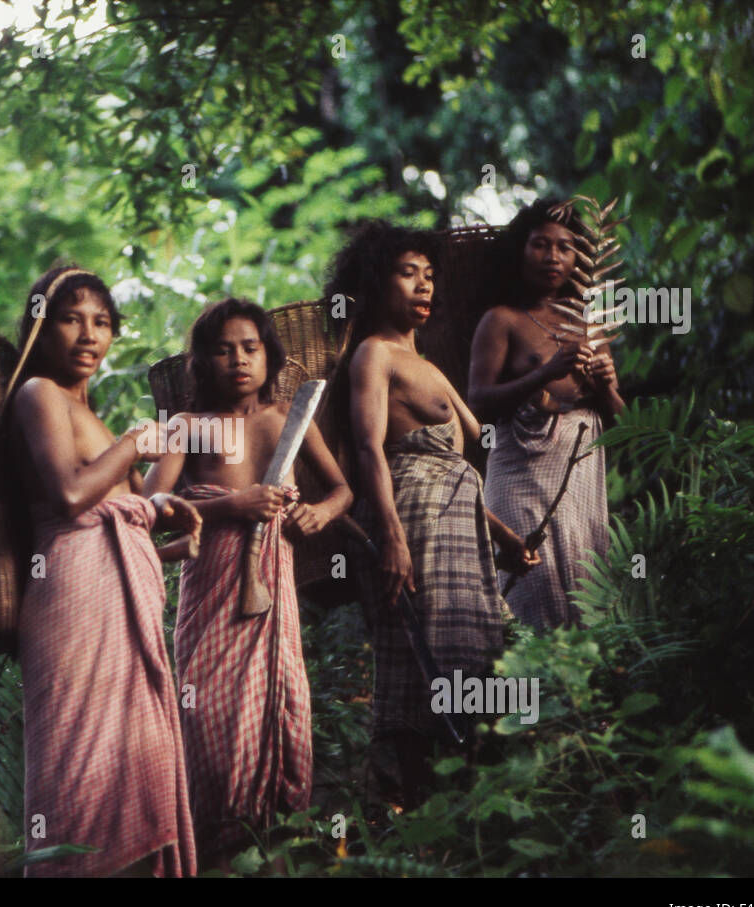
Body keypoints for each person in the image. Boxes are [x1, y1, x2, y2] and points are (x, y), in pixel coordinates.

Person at [327, 221, 539, 807]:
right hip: (409, 517)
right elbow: (371, 447)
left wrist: (504, 537)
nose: (422, 286)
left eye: (429, 275)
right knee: (423, 661)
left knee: (474, 658)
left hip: (458, 524)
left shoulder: (430, 364)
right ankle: (419, 813)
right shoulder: (374, 353)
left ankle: (464, 815)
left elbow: (459, 472)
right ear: (375, 282)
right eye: (406, 273)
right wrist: (390, 538)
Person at [142, 297, 351, 866]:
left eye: (250, 348)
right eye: (223, 349)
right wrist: (233, 503)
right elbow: (150, 507)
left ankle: (272, 853)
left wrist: (321, 514)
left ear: (269, 355)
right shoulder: (188, 427)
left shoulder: (286, 418)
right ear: (204, 361)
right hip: (210, 591)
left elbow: (340, 488)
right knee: (204, 719)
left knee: (276, 718)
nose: (238, 360)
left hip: (270, 591)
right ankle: (209, 854)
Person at [11, 264, 201, 876]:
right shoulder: (39, 394)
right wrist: (131, 445)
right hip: (71, 584)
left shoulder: (86, 410)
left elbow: (132, 503)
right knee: (78, 751)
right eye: (70, 319)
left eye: (101, 322)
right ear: (42, 330)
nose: (88, 334)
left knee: (135, 752)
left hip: (120, 587)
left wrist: (172, 509)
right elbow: (69, 496)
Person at [469, 200, 625, 630]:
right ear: (521, 250)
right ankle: (524, 689)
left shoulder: (590, 327)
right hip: (520, 476)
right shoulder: (501, 320)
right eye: (540, 245)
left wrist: (606, 385)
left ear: (579, 259)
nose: (553, 257)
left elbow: (624, 426)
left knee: (582, 589)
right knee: (527, 585)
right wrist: (547, 372)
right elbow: (477, 399)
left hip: (579, 482)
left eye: (566, 247)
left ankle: (577, 693)